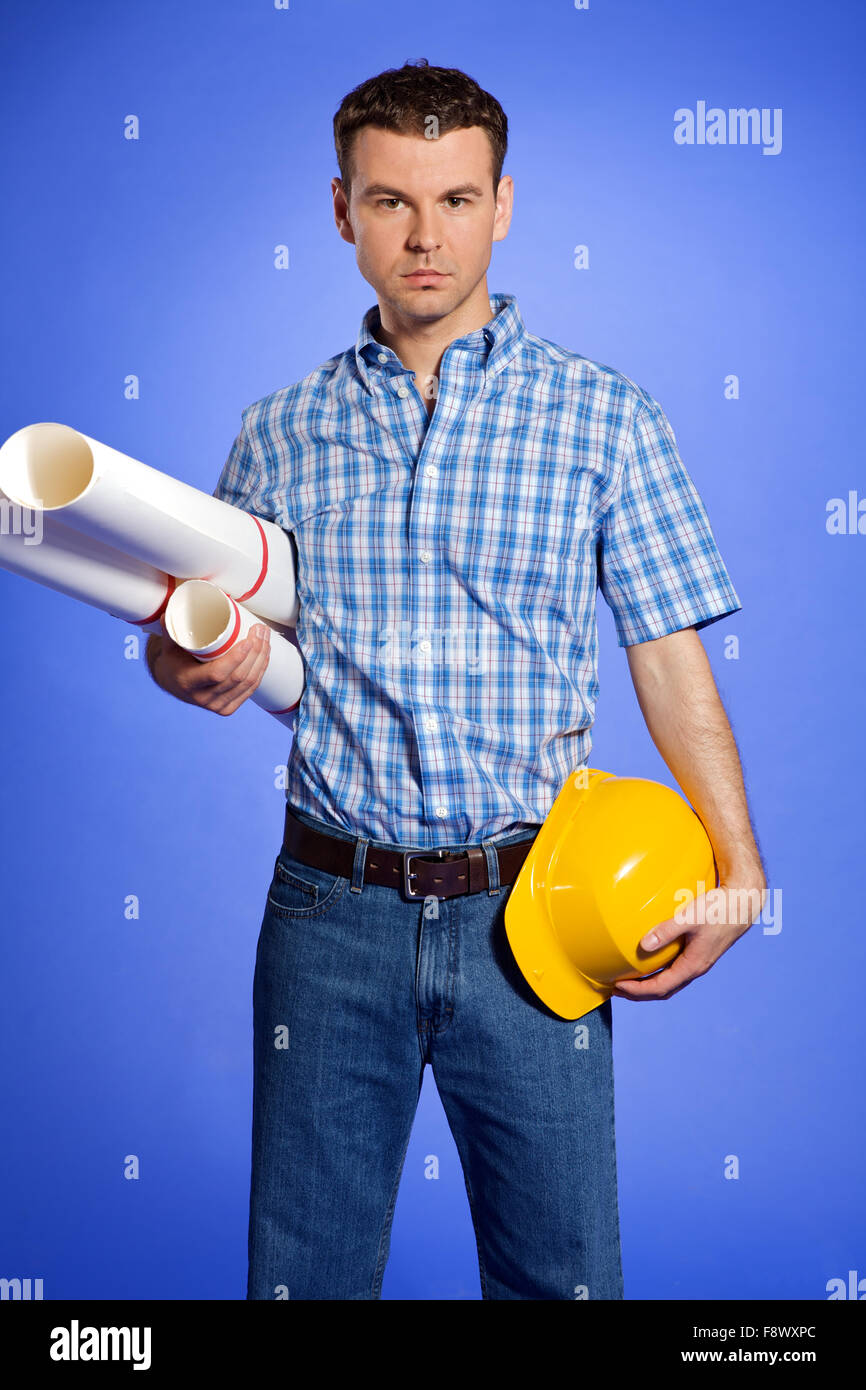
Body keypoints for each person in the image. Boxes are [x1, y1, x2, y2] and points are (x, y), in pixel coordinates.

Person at [145, 60, 766, 1301]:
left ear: (503, 203)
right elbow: (189, 632)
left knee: (562, 1281)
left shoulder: (605, 419)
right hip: (329, 919)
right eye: (389, 203)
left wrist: (739, 870)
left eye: (455, 200)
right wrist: (184, 661)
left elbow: (664, 651)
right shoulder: (276, 433)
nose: (425, 236)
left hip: (534, 909)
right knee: (302, 1285)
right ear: (341, 211)